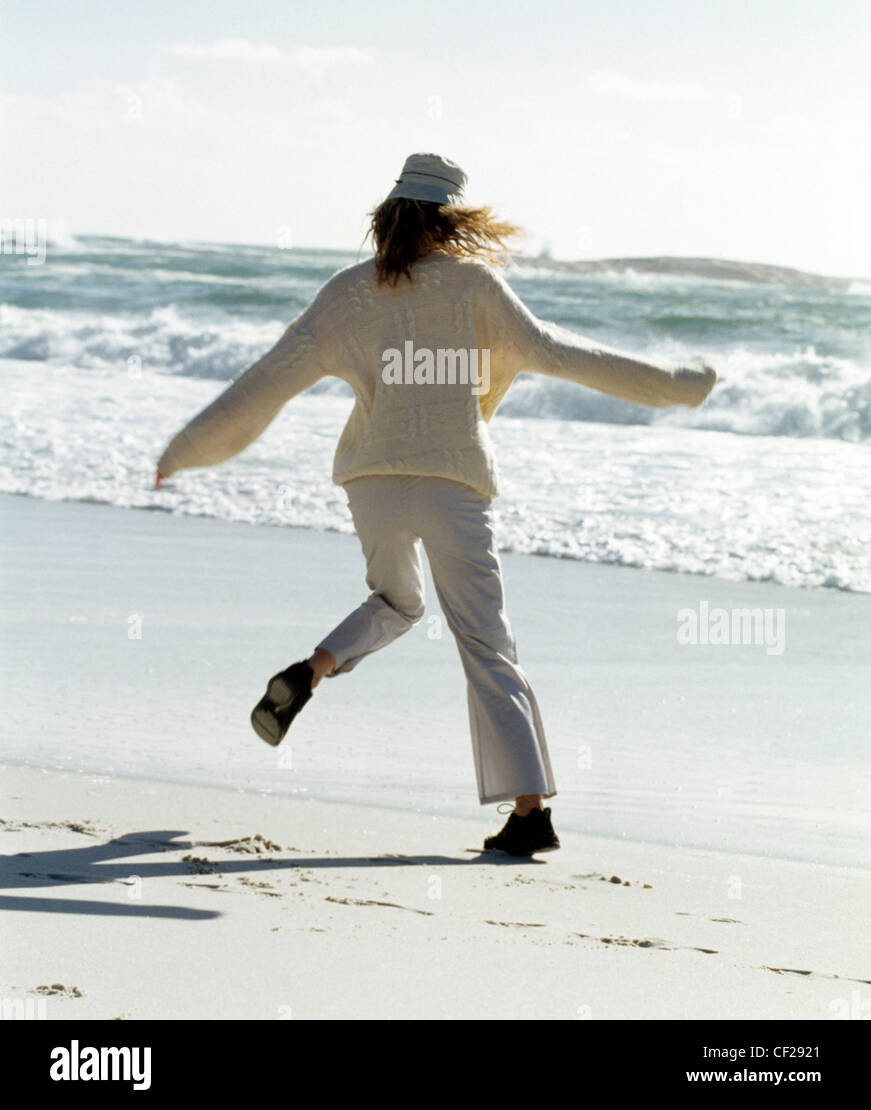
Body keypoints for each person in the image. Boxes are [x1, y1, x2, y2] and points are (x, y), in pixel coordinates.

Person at [155, 153, 720, 857]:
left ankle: (311, 671)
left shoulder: (348, 291)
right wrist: (677, 384)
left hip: (373, 483)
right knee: (485, 645)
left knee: (395, 601)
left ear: (387, 215)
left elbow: (269, 377)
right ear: (450, 219)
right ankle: (527, 814)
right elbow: (560, 353)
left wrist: (183, 450)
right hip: (453, 483)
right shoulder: (476, 285)